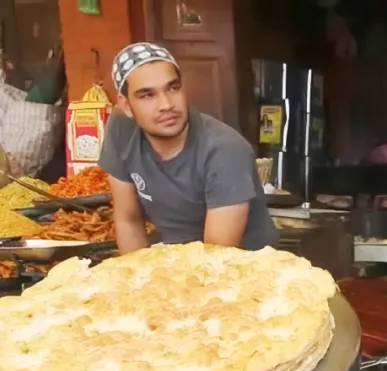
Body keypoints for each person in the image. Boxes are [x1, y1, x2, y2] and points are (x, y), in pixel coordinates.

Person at [98, 42, 278, 254]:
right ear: (126, 105)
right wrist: (135, 281)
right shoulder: (122, 129)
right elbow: (128, 221)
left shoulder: (224, 150)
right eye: (148, 95)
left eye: (173, 88)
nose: (166, 104)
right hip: (178, 258)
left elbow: (215, 257)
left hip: (243, 270)